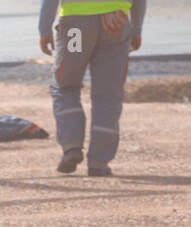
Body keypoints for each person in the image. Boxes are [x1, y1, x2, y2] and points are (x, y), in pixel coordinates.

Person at [39, 0, 146, 176]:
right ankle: (99, 162)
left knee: (66, 86)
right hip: (115, 25)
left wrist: (44, 29)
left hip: (76, 29)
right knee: (108, 95)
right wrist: (137, 29)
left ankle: (72, 146)